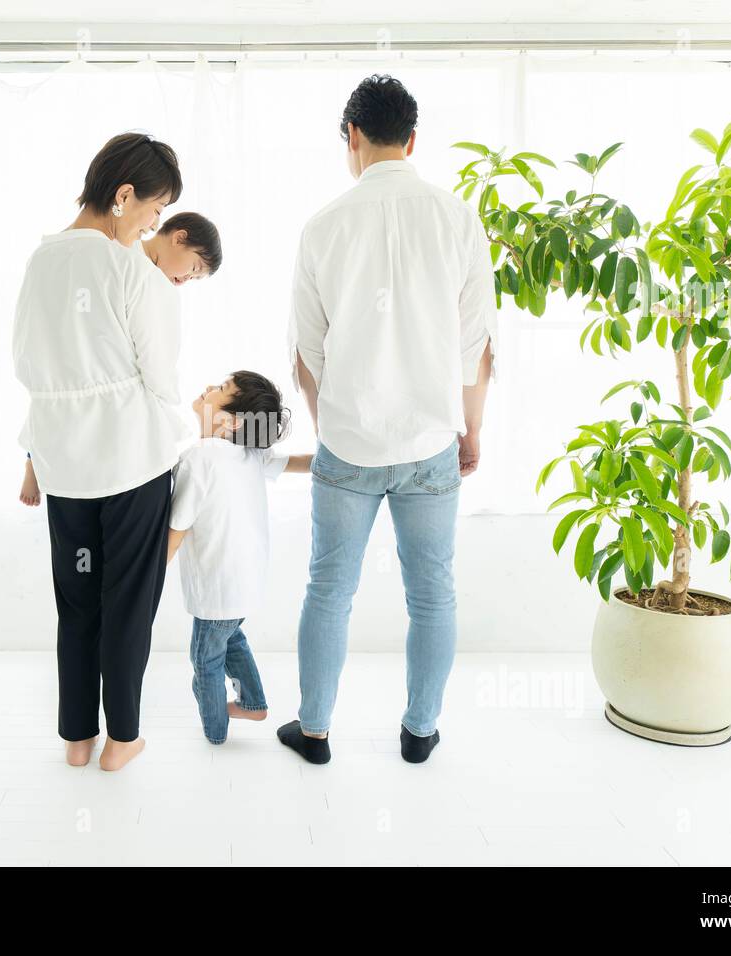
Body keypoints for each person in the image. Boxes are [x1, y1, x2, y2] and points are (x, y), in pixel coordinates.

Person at [278, 74, 499, 766]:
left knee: (328, 589)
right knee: (433, 593)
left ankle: (313, 731)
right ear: (412, 139)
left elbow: (304, 357)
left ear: (353, 137)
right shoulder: (457, 217)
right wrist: (472, 429)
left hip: (347, 444)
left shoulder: (323, 227)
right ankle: (420, 731)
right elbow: (477, 345)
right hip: (432, 439)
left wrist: (331, 426)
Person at [11, 132, 188, 772]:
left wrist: (35, 449)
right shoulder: (129, 270)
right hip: (132, 464)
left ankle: (77, 740)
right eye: (154, 211)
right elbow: (162, 379)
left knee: (79, 603)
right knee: (128, 605)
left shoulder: (40, 261)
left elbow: (27, 367)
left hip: (65, 468)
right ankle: (124, 739)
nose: (152, 227)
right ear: (123, 196)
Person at [20, 211, 223, 508]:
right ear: (179, 237)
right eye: (192, 268)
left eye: (193, 278)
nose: (185, 279)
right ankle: (32, 457)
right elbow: (158, 369)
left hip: (88, 409)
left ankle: (33, 456)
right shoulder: (123, 258)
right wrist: (168, 394)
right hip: (93, 405)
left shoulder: (131, 266)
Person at [165, 372, 312, 745]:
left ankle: (215, 731)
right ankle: (254, 703)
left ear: (232, 421)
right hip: (245, 584)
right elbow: (292, 462)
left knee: (205, 660)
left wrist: (145, 579)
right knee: (231, 639)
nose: (207, 387)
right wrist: (332, 461)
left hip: (216, 588)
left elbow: (178, 527)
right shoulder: (248, 455)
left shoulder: (200, 456)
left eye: (220, 389)